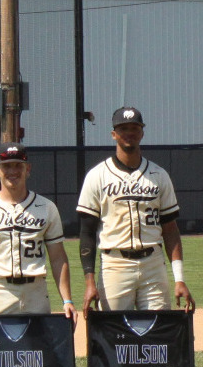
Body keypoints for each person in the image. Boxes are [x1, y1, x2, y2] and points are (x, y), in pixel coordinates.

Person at [77, 107, 193, 312]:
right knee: (115, 333)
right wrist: (89, 283)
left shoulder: (159, 175)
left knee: (158, 330)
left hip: (153, 264)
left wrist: (180, 279)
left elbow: (171, 230)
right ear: (114, 134)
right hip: (115, 264)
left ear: (142, 132)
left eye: (134, 128)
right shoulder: (97, 176)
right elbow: (87, 232)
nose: (129, 133)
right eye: (123, 128)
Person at [0, 144, 75, 324]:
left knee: (39, 349)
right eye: (6, 165)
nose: (12, 171)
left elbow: (58, 257)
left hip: (36, 291)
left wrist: (67, 300)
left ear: (28, 169)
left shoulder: (47, 208)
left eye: (18, 165)